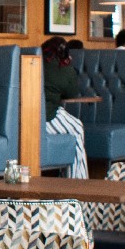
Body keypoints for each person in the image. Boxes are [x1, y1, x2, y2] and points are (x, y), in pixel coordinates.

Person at [40, 36, 88, 178]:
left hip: (23, 117)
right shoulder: (63, 69)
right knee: (77, 129)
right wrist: (68, 66)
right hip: (46, 117)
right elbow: (71, 93)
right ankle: (77, 183)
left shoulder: (34, 61)